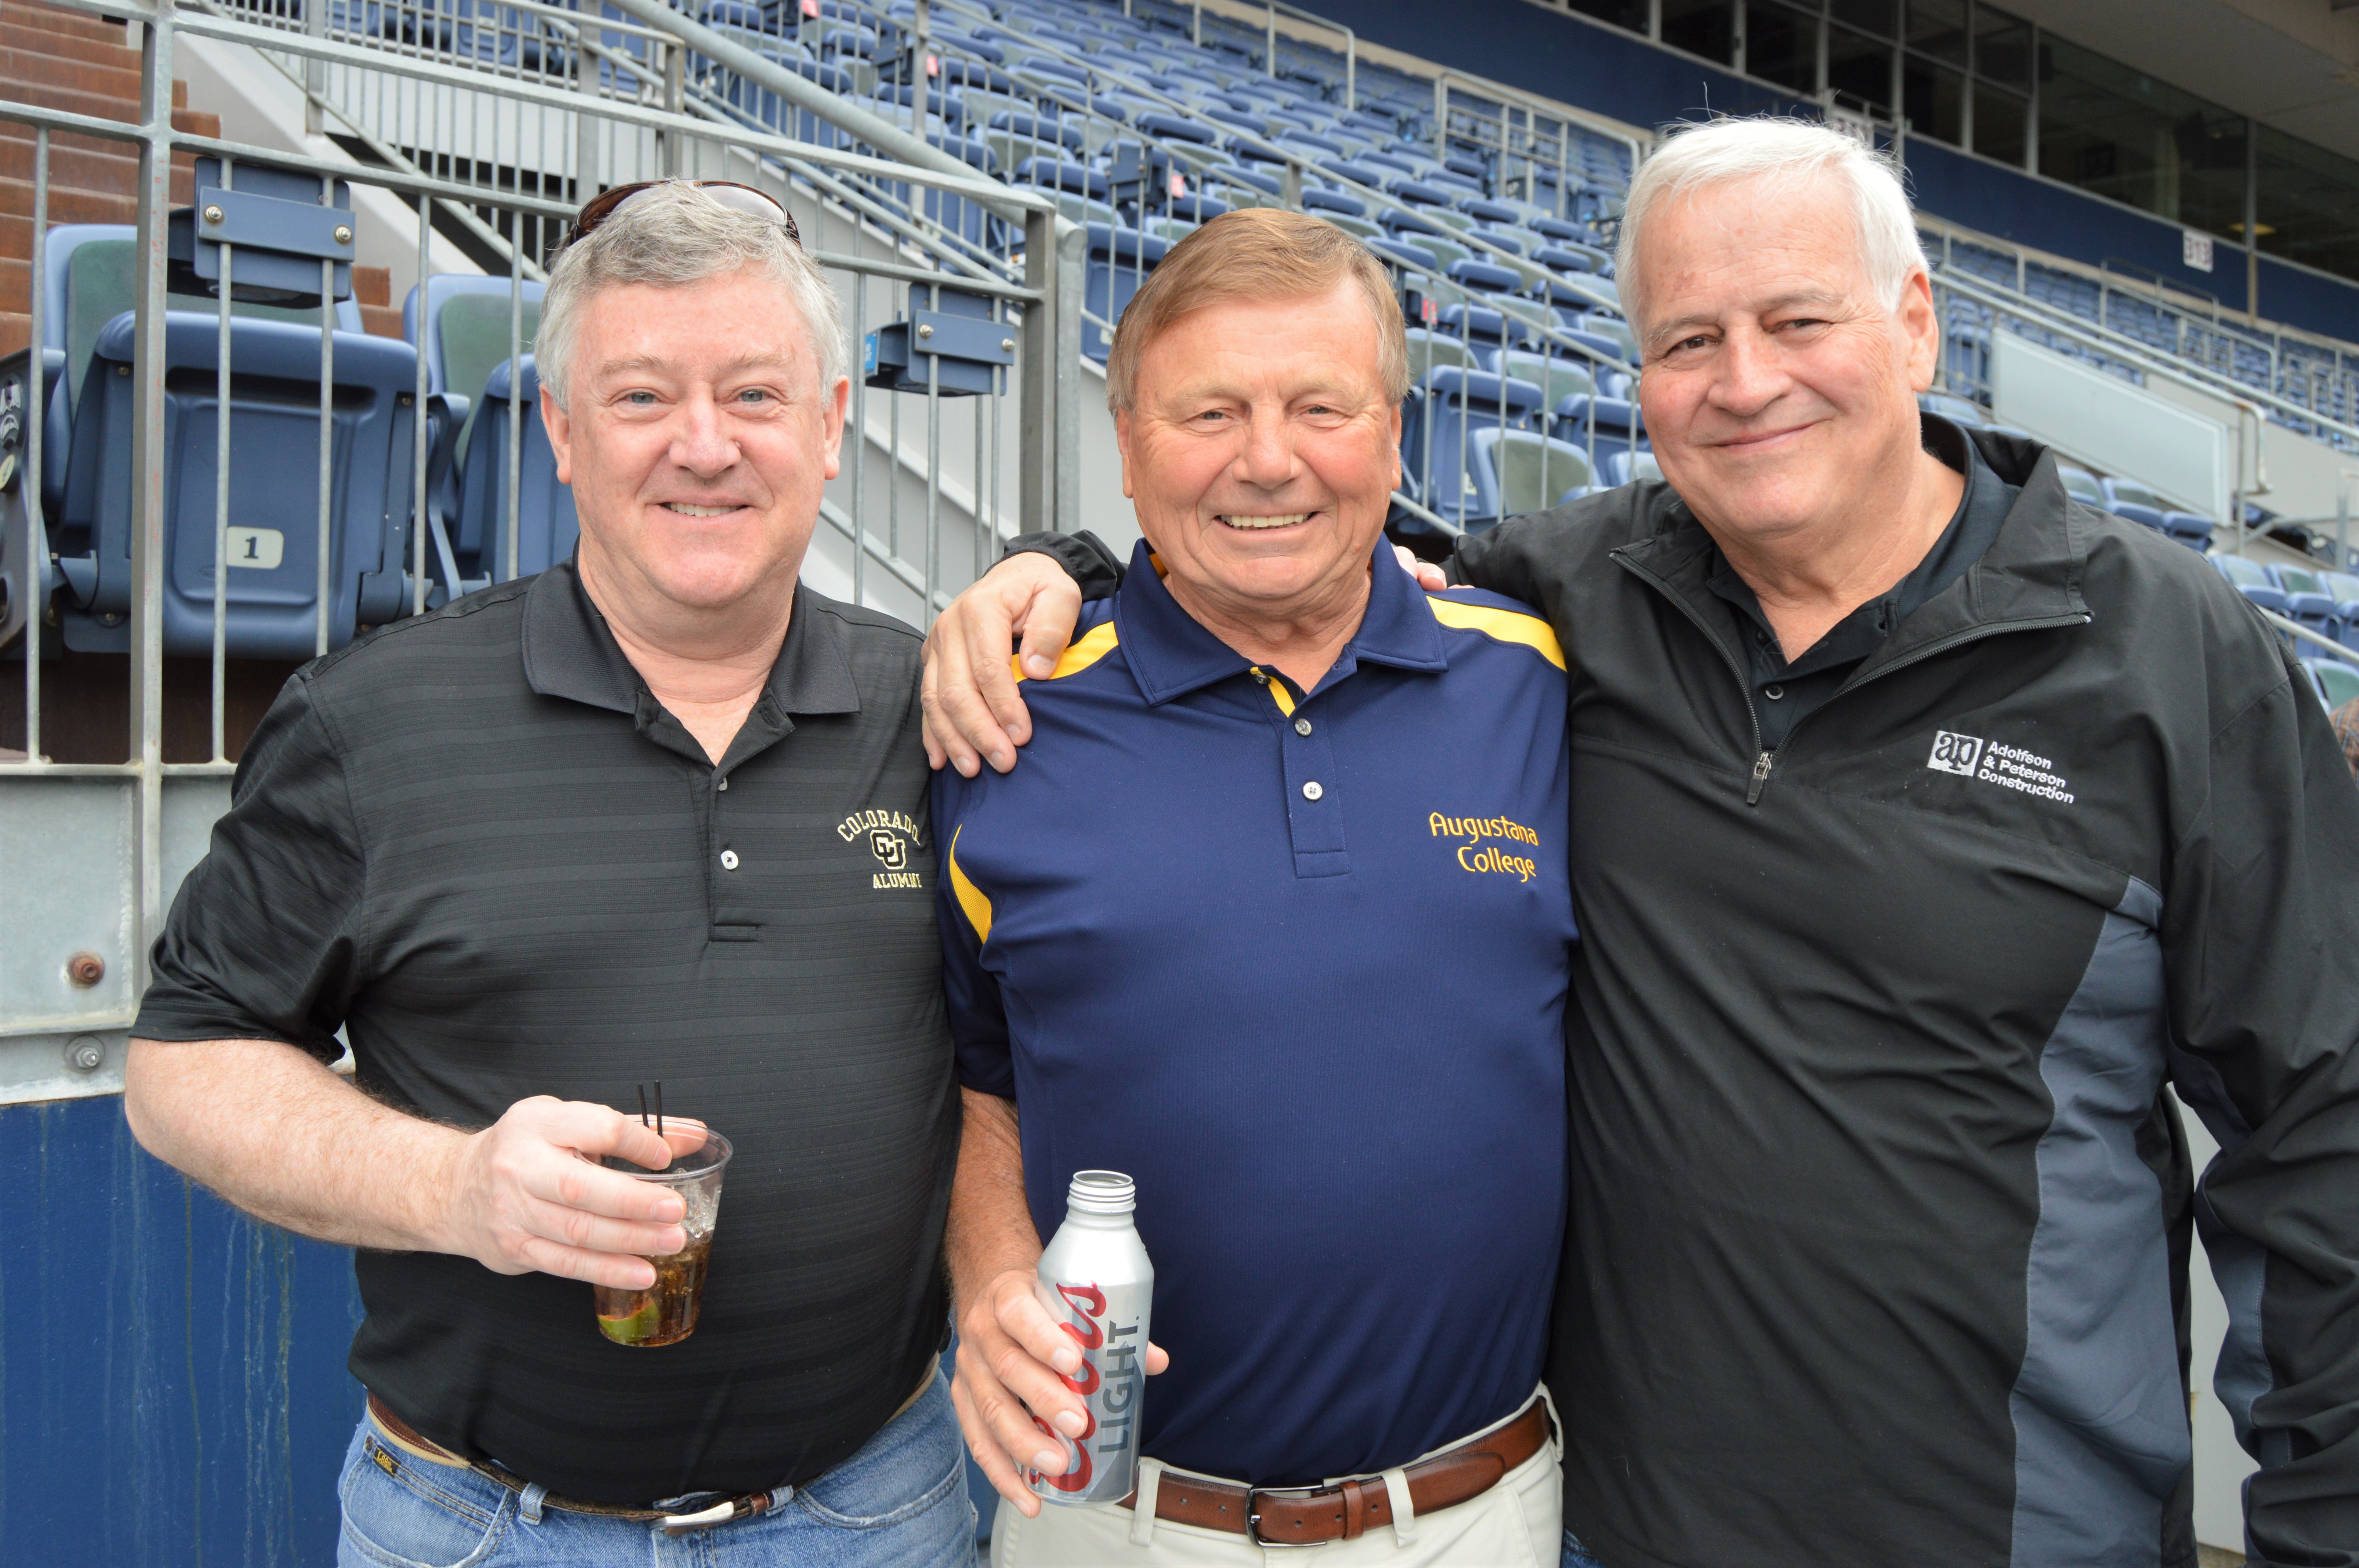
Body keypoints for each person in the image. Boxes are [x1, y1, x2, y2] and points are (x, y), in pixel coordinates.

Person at [921, 120, 2359, 1568]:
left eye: (1799, 320)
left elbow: (2323, 1131)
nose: (1746, 381)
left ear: (1915, 324)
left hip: (2010, 1529)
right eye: (1688, 340)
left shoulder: (2164, 652)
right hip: (1614, 1523)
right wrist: (1053, 572)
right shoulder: (1576, 609)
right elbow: (1279, 555)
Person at [122, 180, 973, 1567]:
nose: (705, 447)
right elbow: (182, 1066)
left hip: (876, 1512)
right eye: (642, 398)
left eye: (755, 394)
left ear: (830, 429)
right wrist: (456, 1191)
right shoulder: (370, 721)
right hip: (480, 1528)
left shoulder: (938, 713)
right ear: (563, 436)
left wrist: (1054, 570)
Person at [938, 209, 1576, 1567]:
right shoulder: (999, 723)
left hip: (1486, 1515)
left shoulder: (1536, 677)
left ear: (1396, 432)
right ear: (1126, 446)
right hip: (1114, 1518)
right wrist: (993, 1275)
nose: (1268, 459)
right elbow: (970, 1072)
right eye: (1209, 411)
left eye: (1319, 406)